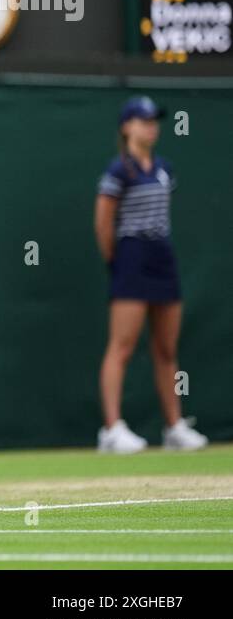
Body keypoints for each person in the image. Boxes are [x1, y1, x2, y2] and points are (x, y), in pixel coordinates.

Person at [94, 97, 207, 454]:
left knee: (166, 349)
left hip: (162, 257)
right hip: (131, 256)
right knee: (122, 346)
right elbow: (103, 223)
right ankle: (112, 429)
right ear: (127, 127)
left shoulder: (164, 170)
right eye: (143, 121)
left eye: (154, 121)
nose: (151, 127)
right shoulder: (118, 171)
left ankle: (174, 426)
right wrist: (117, 260)